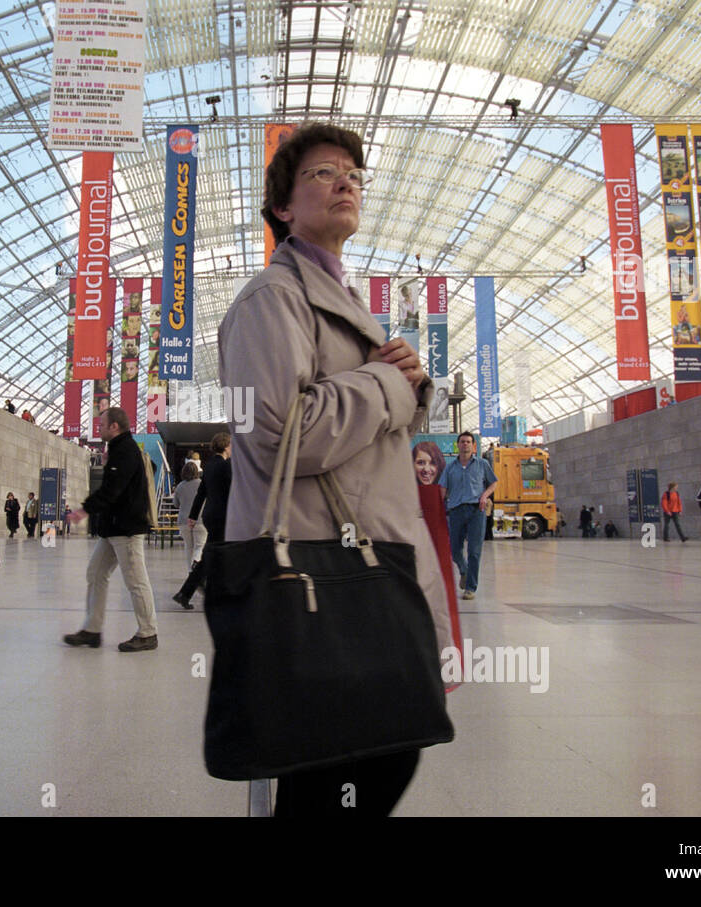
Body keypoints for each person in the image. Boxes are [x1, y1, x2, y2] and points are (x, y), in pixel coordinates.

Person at [218, 122, 450, 816]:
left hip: (369, 569)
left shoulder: (347, 303)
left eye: (351, 171)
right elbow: (273, 431)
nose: (344, 180)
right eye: (321, 172)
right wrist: (385, 384)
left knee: (377, 754)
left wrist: (410, 387)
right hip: (320, 580)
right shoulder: (269, 299)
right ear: (282, 207)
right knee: (348, 770)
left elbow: (371, 430)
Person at [63, 406, 159, 652]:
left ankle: (148, 633)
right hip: (114, 528)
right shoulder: (118, 451)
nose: (99, 428)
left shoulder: (125, 451)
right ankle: (92, 630)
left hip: (126, 528)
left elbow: (112, 490)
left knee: (136, 581)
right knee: (95, 574)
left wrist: (84, 510)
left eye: (102, 424)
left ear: (114, 426)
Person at [414, 442, 461, 675]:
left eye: (432, 463)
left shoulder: (446, 494)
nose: (426, 469)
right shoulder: (407, 496)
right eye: (420, 462)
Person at [172, 432, 232, 609]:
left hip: (209, 514)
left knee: (210, 553)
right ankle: (215, 591)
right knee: (220, 553)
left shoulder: (210, 466)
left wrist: (192, 515)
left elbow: (202, 493)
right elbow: (232, 491)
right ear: (226, 446)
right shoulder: (225, 465)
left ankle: (186, 592)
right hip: (223, 515)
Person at [438, 432, 498, 601]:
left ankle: (470, 588)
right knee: (455, 549)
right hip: (456, 511)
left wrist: (485, 496)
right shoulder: (450, 468)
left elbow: (493, 482)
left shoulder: (482, 464)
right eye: (462, 442)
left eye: (468, 442)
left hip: (476, 511)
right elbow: (442, 489)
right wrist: (436, 507)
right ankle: (464, 571)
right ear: (458, 445)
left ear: (473, 446)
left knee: (474, 551)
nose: (465, 444)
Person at [172, 460, 206, 568]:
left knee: (188, 547)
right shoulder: (202, 484)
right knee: (199, 546)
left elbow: (176, 504)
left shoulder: (180, 486)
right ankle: (196, 562)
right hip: (200, 520)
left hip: (183, 521)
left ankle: (190, 571)